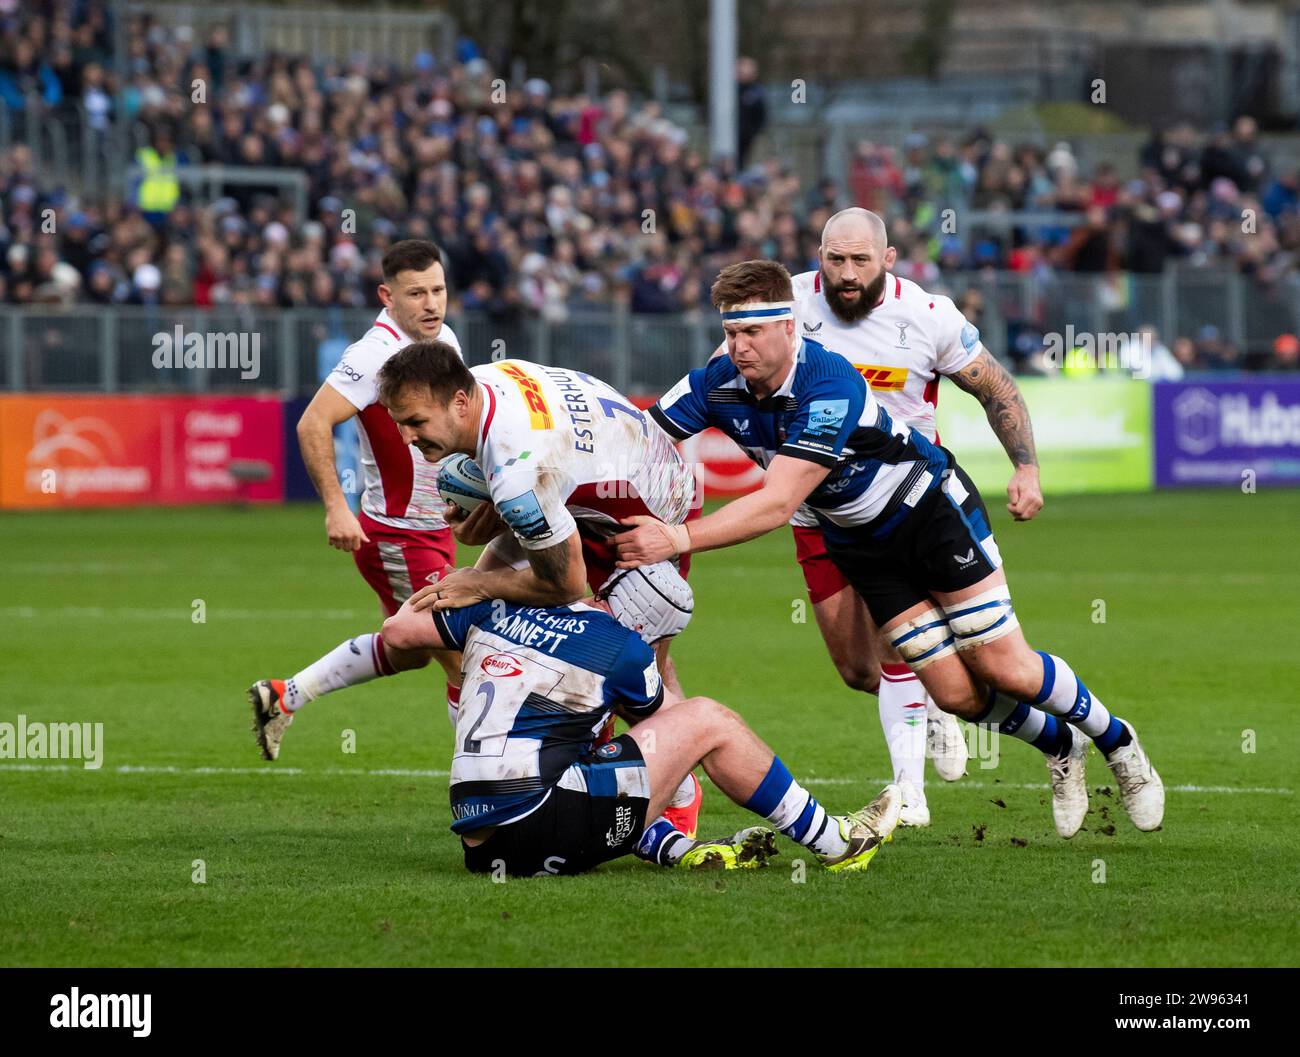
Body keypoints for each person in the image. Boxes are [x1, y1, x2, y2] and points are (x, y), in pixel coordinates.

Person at [614, 259, 1165, 839]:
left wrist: (675, 537)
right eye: (730, 333)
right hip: (860, 544)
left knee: (1004, 666)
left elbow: (778, 504)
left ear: (788, 327)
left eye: (752, 332)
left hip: (928, 514)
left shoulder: (828, 384)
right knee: (953, 694)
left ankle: (1118, 741)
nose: (739, 347)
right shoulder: (714, 381)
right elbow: (638, 439)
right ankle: (1060, 745)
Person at [776, 208, 1047, 827]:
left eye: (859, 261)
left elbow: (996, 389)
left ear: (889, 260)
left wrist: (1026, 468)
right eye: (834, 260)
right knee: (855, 670)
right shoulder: (784, 305)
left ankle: (914, 782)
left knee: (909, 642)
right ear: (818, 254)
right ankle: (931, 701)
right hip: (817, 514)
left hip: (906, 504)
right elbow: (729, 375)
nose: (845, 274)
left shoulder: (927, 316)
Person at [370, 341, 706, 836]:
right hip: (594, 484)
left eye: (415, 422)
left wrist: (482, 584)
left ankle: (672, 792)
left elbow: (565, 585)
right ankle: (514, 759)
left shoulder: (514, 470)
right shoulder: (481, 387)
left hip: (646, 516)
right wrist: (483, 536)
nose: (405, 437)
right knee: (422, 623)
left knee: (612, 668)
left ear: (459, 402)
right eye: (400, 422)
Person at [378, 559, 902, 876]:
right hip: (538, 827)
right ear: (652, 630)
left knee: (586, 755)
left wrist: (479, 578)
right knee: (709, 721)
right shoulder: (625, 650)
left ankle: (675, 849)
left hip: (478, 840)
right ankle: (837, 844)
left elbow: (397, 634)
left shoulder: (496, 605)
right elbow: (684, 739)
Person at [248, 240, 465, 756]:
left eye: (437, 290)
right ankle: (492, 785)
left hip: (436, 527)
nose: (431, 304)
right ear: (388, 296)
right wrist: (335, 506)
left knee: (409, 649)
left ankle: (283, 696)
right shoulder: (371, 355)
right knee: (464, 653)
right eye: (416, 294)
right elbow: (313, 421)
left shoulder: (446, 339)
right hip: (398, 536)